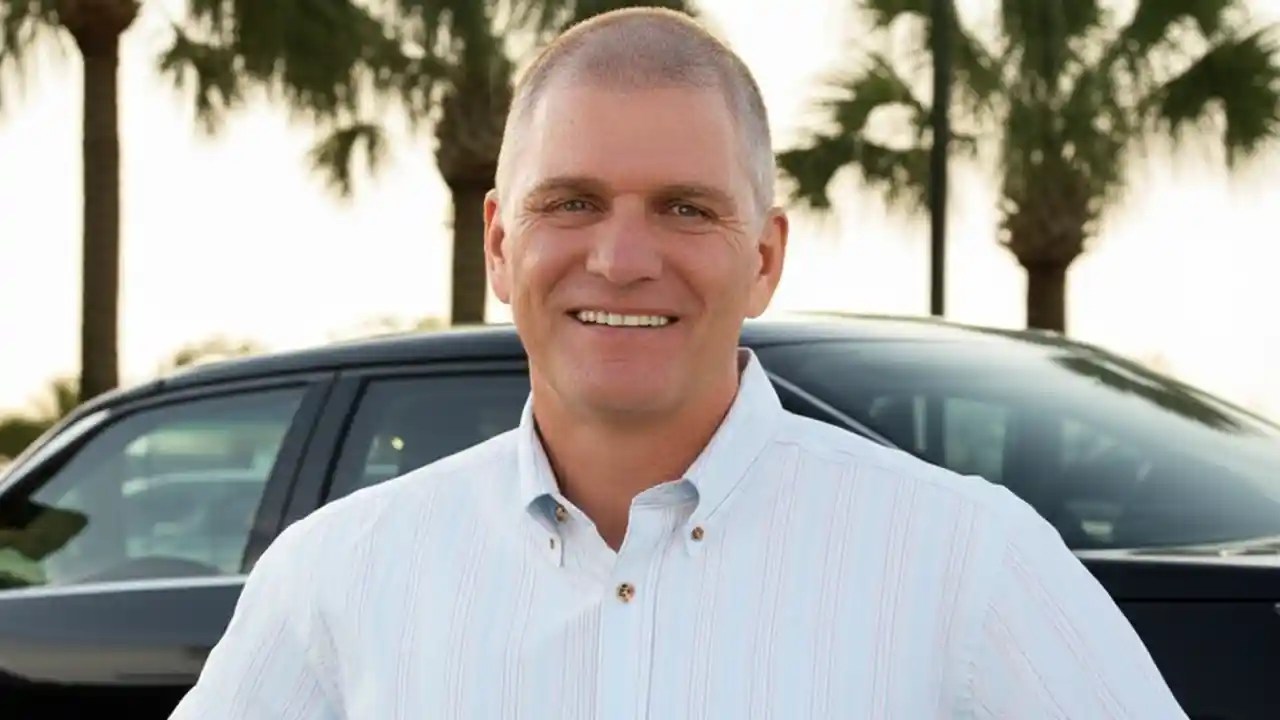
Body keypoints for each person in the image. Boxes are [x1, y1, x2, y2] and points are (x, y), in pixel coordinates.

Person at [170, 8, 1188, 719]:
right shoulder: (339, 575)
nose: (619, 260)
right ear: (495, 244)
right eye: (569, 201)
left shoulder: (968, 563)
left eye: (684, 208)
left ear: (763, 257)